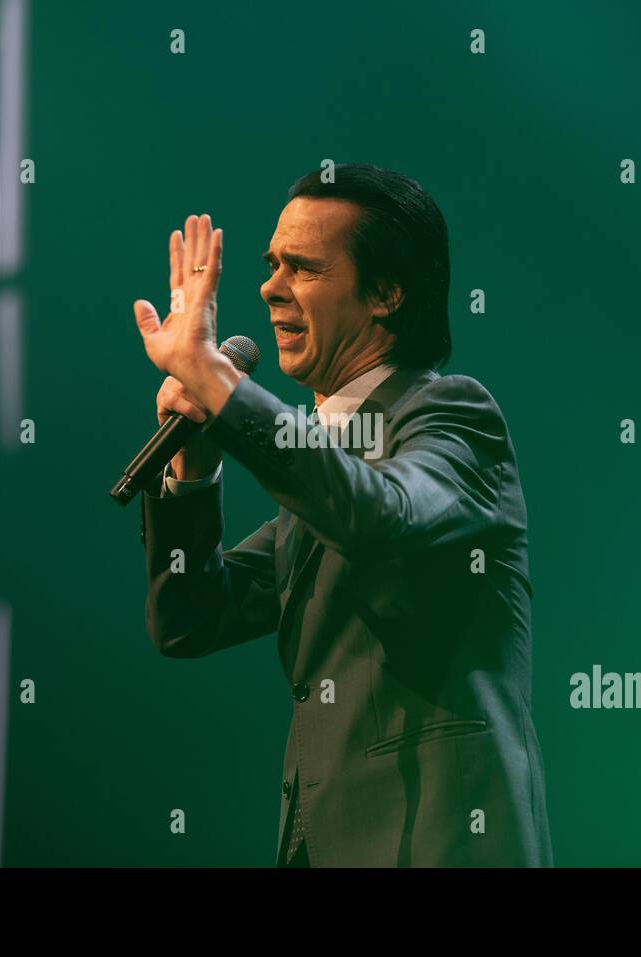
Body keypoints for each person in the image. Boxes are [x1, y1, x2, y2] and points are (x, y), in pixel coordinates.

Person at [132, 164, 552, 867]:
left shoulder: (451, 415)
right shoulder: (324, 476)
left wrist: (221, 386)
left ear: (386, 293)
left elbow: (380, 516)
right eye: (271, 265)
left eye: (302, 267)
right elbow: (190, 619)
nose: (269, 287)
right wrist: (196, 467)